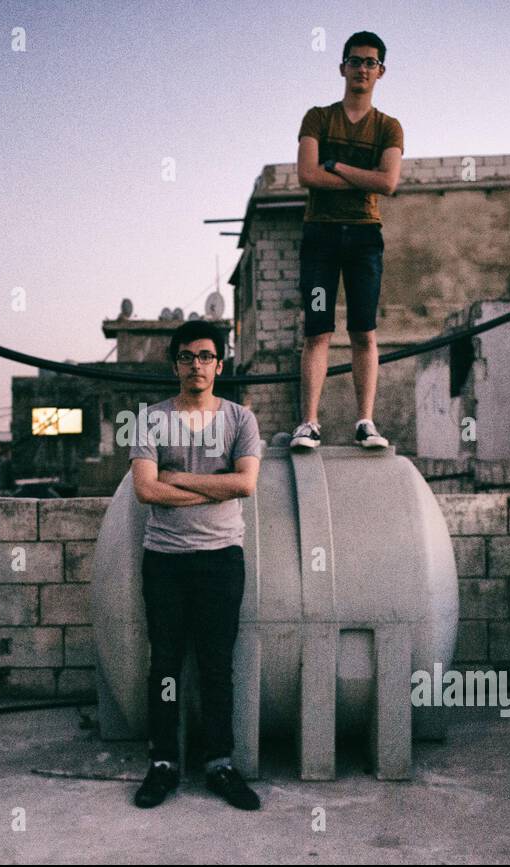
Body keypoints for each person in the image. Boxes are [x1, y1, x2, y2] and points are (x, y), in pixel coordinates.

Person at [126, 319, 263, 810]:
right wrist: (214, 483)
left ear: (219, 365)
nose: (196, 365)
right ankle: (163, 763)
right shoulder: (150, 419)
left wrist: (177, 480)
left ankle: (219, 764)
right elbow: (145, 490)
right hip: (164, 561)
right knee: (164, 664)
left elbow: (246, 485)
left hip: (222, 559)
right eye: (187, 356)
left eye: (206, 356)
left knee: (216, 666)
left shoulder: (241, 419)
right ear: (175, 364)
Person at [290, 30, 404, 451]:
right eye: (355, 61)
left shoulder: (388, 127)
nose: (361, 68)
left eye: (370, 62)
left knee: (364, 331)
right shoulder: (318, 117)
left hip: (363, 239)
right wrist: (361, 179)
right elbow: (307, 174)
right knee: (317, 331)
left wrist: (335, 165)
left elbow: (388, 182)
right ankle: (309, 423)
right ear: (342, 67)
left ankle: (365, 423)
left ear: (381, 71)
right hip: (320, 237)